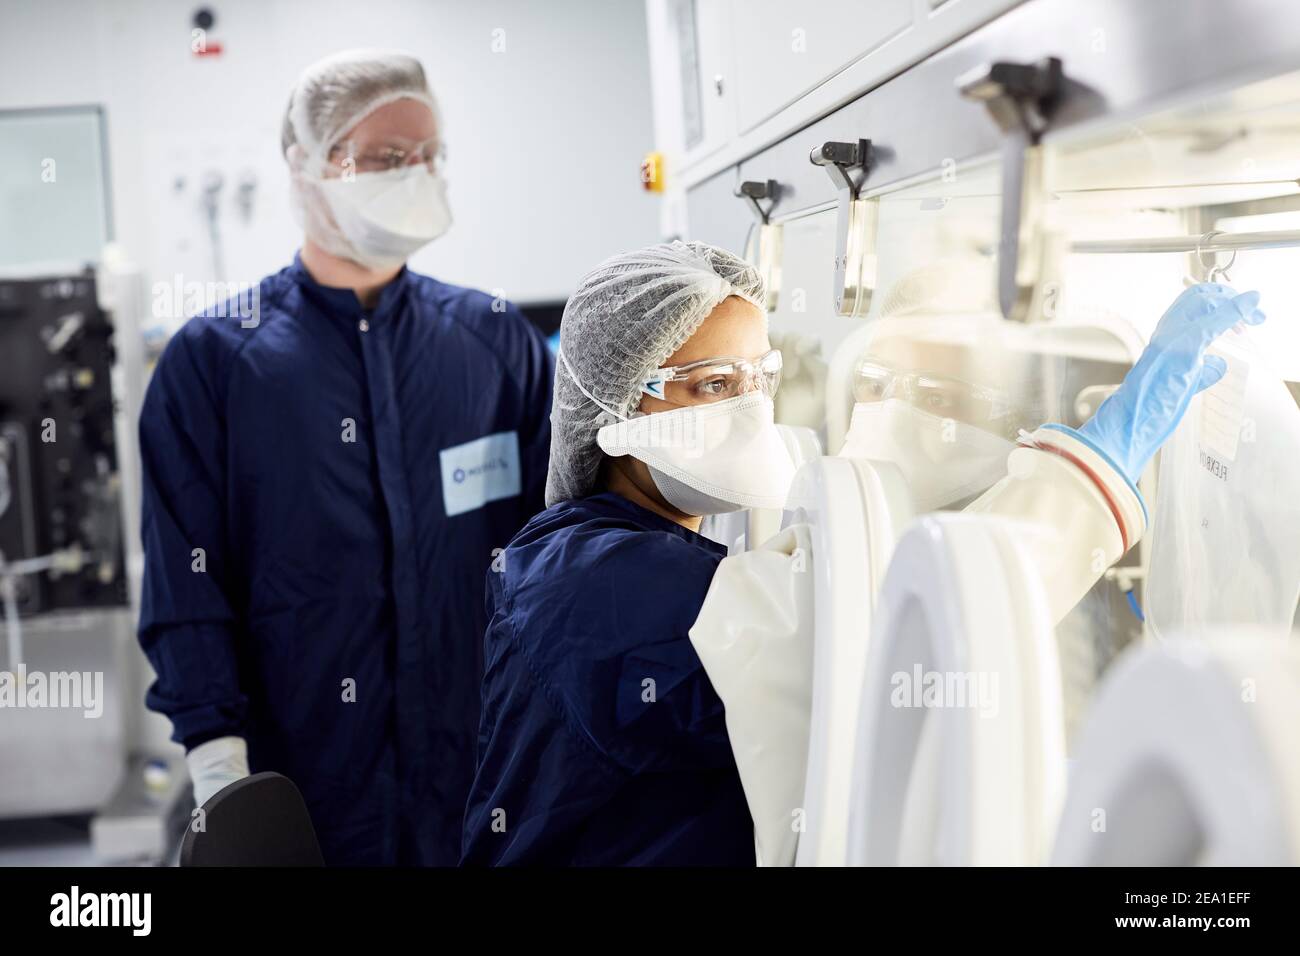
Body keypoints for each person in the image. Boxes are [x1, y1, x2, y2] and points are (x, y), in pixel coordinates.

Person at [460, 239, 1263, 866]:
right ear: (612, 400)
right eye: (712, 385)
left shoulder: (641, 550)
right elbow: (893, 629)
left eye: (760, 375)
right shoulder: (597, 586)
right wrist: (1103, 463)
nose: (750, 407)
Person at [137, 49, 553, 866]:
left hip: (477, 779)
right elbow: (186, 584)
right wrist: (221, 770)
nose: (418, 174)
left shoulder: (495, 344)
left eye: (431, 155)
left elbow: (557, 542)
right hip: (302, 789)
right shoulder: (218, 363)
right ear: (307, 166)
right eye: (388, 158)